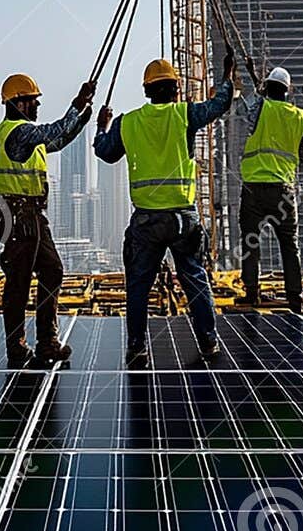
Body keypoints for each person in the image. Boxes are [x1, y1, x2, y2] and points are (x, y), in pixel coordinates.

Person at [94, 54, 236, 366]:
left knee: (138, 285)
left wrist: (101, 128)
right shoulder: (185, 115)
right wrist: (227, 77)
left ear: (147, 91)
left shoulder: (127, 122)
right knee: (195, 279)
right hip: (183, 218)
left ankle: (136, 347)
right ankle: (209, 342)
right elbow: (219, 106)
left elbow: (105, 153)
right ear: (176, 88)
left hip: (146, 220)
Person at [0, 73, 95, 368]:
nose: (37, 106)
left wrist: (83, 118)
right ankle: (17, 347)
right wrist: (77, 103)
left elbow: (58, 140)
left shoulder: (27, 137)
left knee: (52, 270)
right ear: (20, 103)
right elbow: (52, 131)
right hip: (19, 216)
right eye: (33, 101)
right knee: (19, 283)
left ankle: (47, 342)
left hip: (32, 215)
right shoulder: (17, 132)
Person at [238, 66, 303, 312]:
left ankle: (251, 293)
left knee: (251, 242)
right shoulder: (302, 117)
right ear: (288, 92)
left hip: (254, 189)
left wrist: (257, 94)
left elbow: (240, 109)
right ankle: (295, 296)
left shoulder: (260, 107)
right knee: (290, 245)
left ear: (267, 87)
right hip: (284, 190)